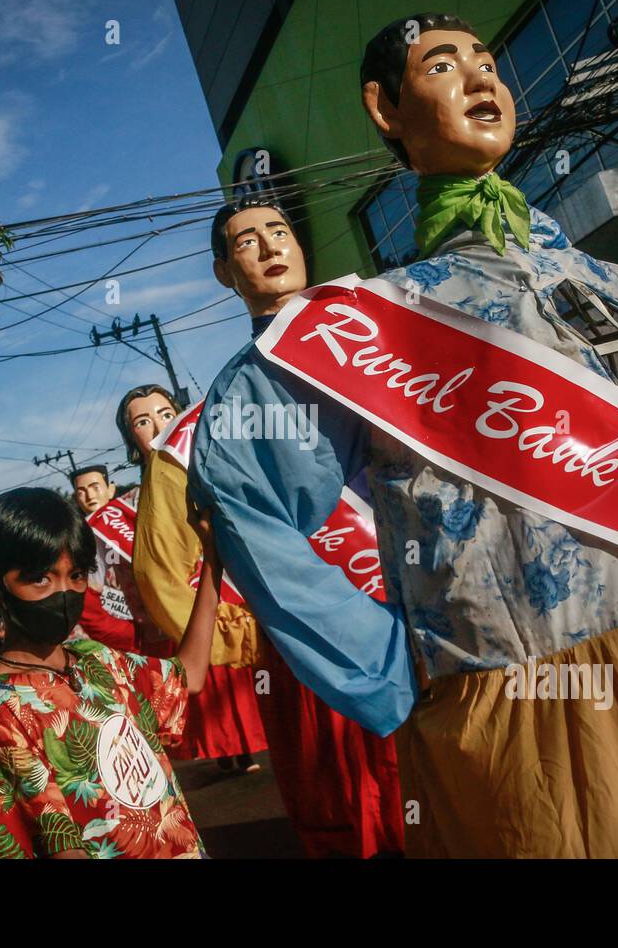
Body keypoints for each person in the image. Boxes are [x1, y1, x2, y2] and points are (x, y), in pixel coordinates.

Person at [188, 12, 618, 857]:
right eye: (443, 66)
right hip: (522, 713)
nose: (481, 79)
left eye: (488, 61)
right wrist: (383, 668)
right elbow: (245, 495)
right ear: (383, 109)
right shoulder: (366, 328)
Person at [132, 197, 404, 856]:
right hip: (315, 653)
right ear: (224, 272)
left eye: (279, 231)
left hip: (427, 623)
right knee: (352, 822)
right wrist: (269, 631)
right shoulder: (200, 428)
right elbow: (161, 577)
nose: (269, 246)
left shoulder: (384, 344)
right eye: (245, 242)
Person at [0, 487, 221, 858]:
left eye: (77, 575)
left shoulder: (95, 660)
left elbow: (189, 675)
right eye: (40, 578)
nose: (64, 592)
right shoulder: (0, 707)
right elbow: (63, 845)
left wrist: (213, 560)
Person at [117, 383, 268, 772]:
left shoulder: (212, 456)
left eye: (166, 414)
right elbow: (157, 576)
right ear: (132, 439)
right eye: (143, 421)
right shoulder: (153, 484)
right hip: (215, 609)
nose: (158, 425)